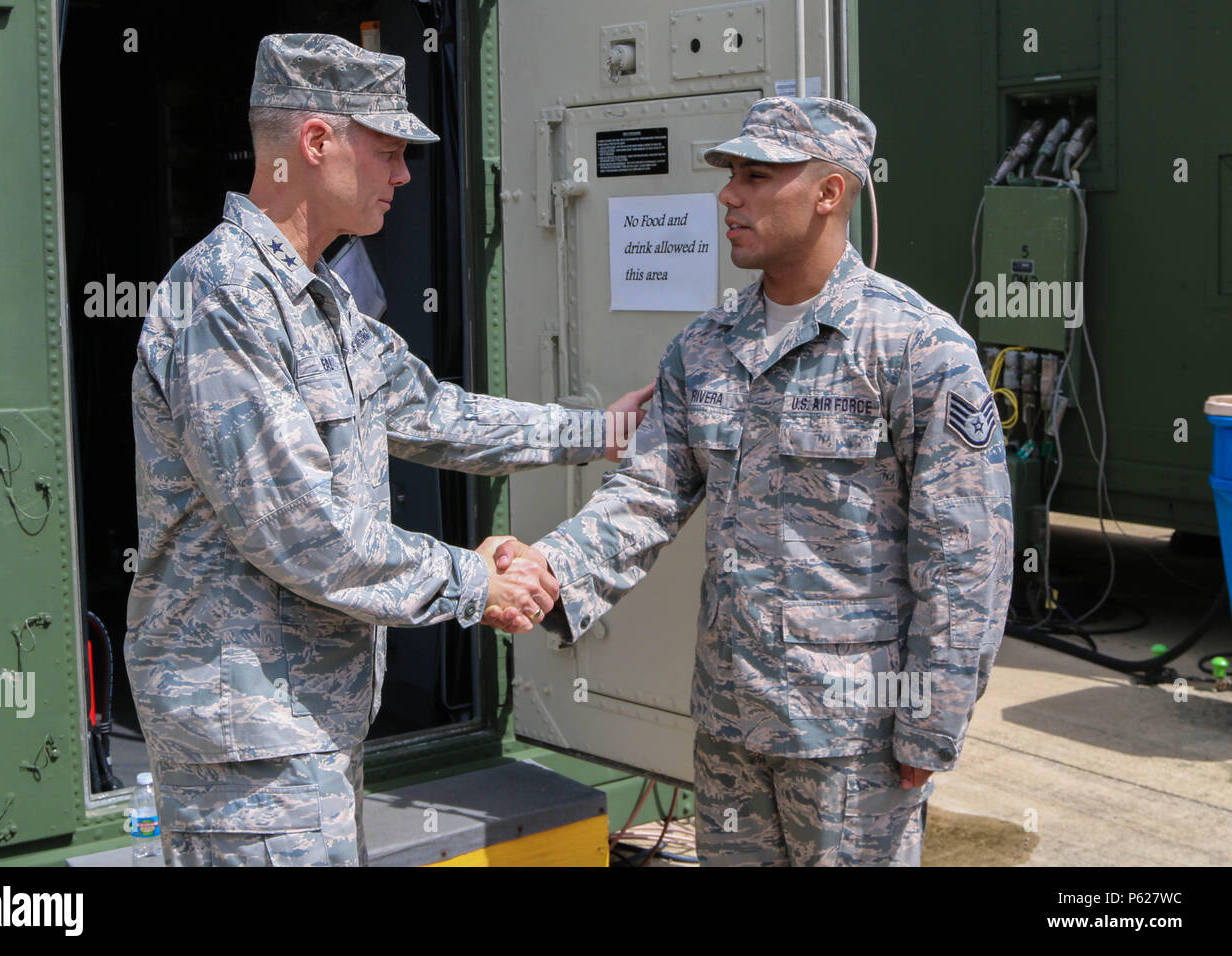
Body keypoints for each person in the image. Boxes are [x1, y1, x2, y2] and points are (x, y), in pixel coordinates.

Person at [126, 32, 652, 866]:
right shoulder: (224, 297)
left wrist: (599, 431)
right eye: (388, 151)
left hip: (307, 729)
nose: (404, 175)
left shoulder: (317, 299)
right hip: (250, 750)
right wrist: (475, 582)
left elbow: (434, 411)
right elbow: (305, 533)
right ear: (315, 141)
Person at [495, 97, 1013, 866]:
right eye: (730, 173)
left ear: (829, 192)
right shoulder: (705, 346)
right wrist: (548, 571)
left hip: (854, 742)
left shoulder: (916, 348)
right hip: (732, 721)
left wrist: (931, 722)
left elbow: (966, 557)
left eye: (757, 175)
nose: (728, 195)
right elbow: (645, 495)